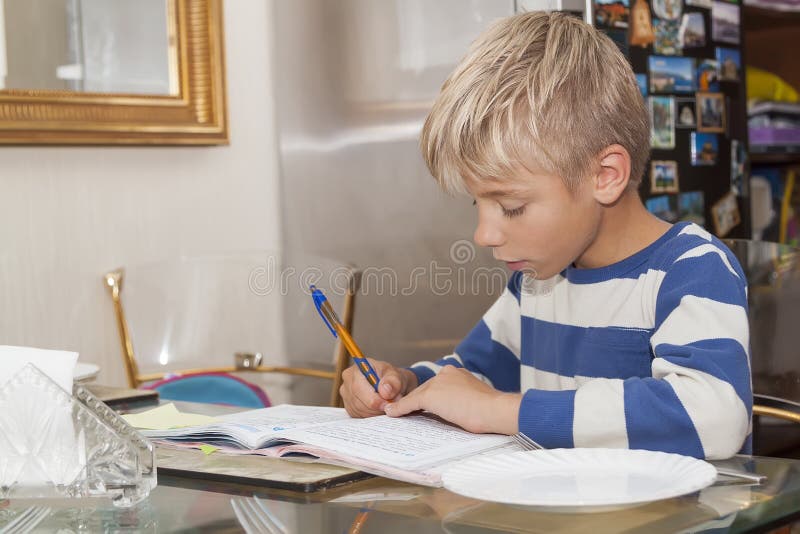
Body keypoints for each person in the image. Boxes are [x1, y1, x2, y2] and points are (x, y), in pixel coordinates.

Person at [339, 11, 751, 459]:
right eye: (479, 204)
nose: (484, 234)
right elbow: (470, 377)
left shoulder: (690, 270)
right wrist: (404, 383)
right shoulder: (536, 282)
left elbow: (714, 416)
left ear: (605, 175)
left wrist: (501, 411)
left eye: (512, 206)